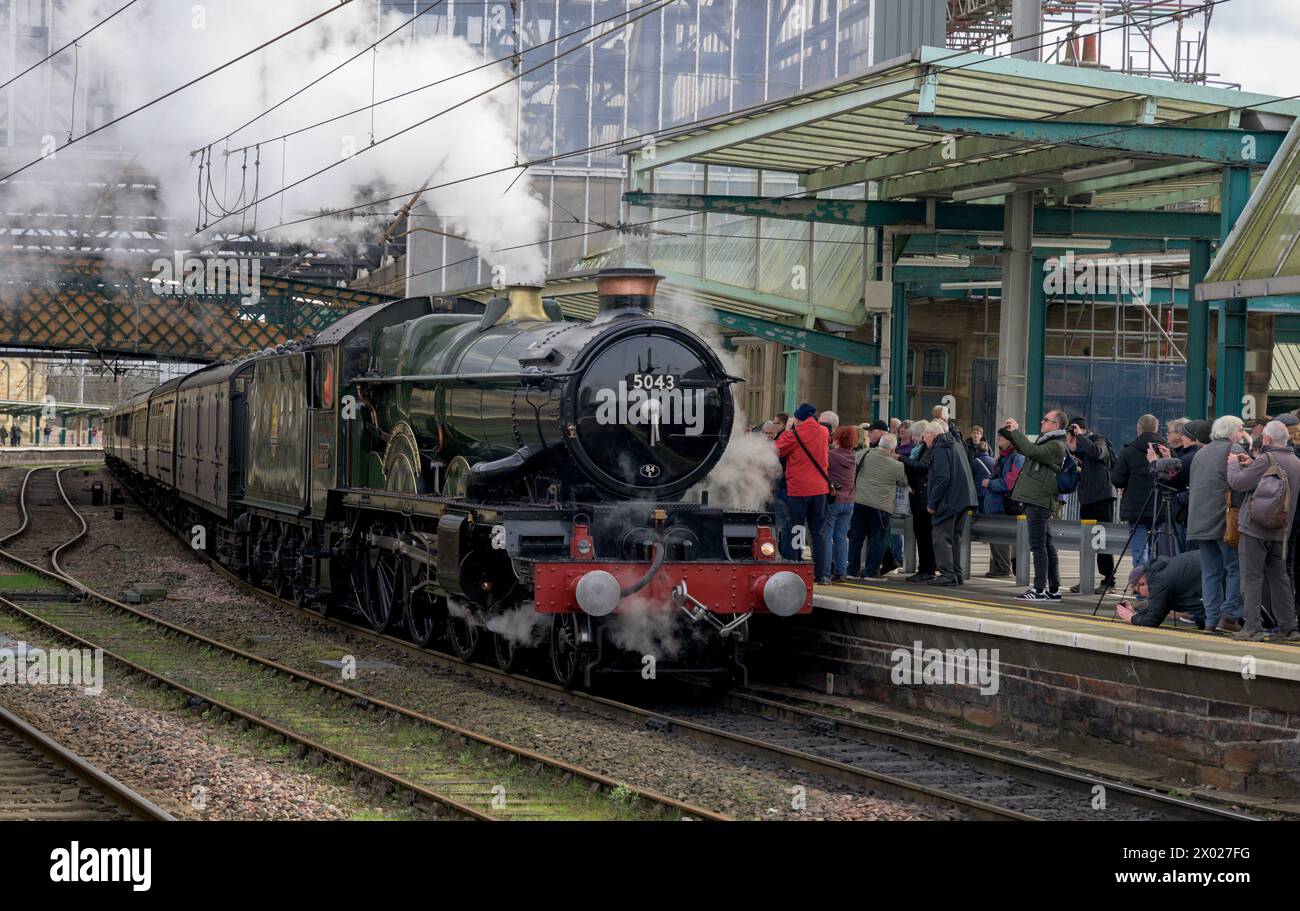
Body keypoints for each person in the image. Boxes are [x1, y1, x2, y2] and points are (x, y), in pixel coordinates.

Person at [1227, 421, 1300, 641]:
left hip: (1255, 528)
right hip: (1280, 529)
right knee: (1280, 578)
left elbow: (1238, 483)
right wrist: (1251, 463)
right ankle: (1289, 627)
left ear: (1267, 440)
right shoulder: (1296, 462)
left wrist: (1233, 464)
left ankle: (1252, 627)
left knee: (1252, 578)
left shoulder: (1267, 458)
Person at [999, 411, 1069, 601]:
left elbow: (1032, 451)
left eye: (1046, 420)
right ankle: (1053, 590)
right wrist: (1011, 434)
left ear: (1056, 425)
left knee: (1039, 546)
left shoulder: (1056, 445)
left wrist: (1016, 432)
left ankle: (1039, 590)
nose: (1042, 421)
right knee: (1047, 544)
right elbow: (1027, 449)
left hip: (1039, 500)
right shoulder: (1048, 441)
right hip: (1039, 499)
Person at [1187, 416, 1247, 632]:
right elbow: (1244, 480)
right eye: (1241, 429)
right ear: (1232, 431)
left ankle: (1211, 620)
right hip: (1225, 521)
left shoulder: (1200, 453)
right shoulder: (1234, 448)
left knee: (1210, 572)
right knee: (1235, 568)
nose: (1242, 433)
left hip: (1199, 522)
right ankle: (1230, 616)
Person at [776, 403, 831, 584]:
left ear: (798, 419)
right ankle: (821, 574)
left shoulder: (794, 434)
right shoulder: (823, 432)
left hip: (799, 490)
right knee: (818, 533)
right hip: (820, 490)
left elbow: (776, 449)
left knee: (796, 529)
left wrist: (787, 430)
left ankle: (796, 568)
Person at [1067, 417, 1117, 593]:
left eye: (1074, 431)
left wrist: (1080, 437)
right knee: (1086, 541)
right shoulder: (1080, 448)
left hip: (1102, 497)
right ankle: (1086, 579)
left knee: (1102, 540)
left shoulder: (1098, 439)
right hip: (1087, 498)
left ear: (1082, 429)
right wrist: (1072, 447)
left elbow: (1097, 452)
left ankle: (1108, 580)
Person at [848, 432, 908, 579]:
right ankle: (871, 571)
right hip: (881, 508)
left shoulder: (863, 454)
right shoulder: (897, 465)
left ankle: (851, 571)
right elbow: (904, 482)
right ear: (893, 449)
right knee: (878, 540)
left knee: (856, 538)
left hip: (859, 502)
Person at [926, 421, 977, 586]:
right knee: (954, 538)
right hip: (963, 499)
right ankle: (956, 573)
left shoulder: (941, 448)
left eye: (924, 436)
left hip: (949, 501)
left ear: (932, 435)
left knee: (940, 538)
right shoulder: (955, 444)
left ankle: (947, 574)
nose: (922, 439)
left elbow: (942, 478)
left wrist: (932, 503)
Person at [1110, 414, 1166, 567]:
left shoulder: (1129, 451)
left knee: (1140, 550)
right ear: (1156, 428)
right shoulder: (1165, 450)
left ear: (1138, 429)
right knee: (1156, 550)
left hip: (1136, 507)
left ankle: (1141, 586)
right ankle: (1154, 585)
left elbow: (1117, 479)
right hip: (1159, 506)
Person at [1115, 551, 1206, 628]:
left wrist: (1131, 618)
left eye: (1137, 591)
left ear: (1142, 583)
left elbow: (1152, 620)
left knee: (1210, 622)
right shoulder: (1159, 572)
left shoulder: (1158, 583)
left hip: (1212, 577)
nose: (1141, 595)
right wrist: (1136, 613)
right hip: (1209, 565)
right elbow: (1161, 606)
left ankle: (1214, 622)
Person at [983, 434, 1024, 578]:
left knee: (1000, 538)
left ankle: (1004, 568)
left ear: (1010, 440)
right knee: (995, 537)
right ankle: (1000, 567)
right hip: (996, 503)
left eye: (1001, 436)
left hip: (1004, 504)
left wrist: (990, 483)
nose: (997, 438)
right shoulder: (1002, 457)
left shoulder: (1017, 457)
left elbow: (1010, 483)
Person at [903, 422, 938, 582]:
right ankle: (924, 568)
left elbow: (922, 466)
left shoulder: (929, 449)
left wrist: (901, 459)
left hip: (924, 498)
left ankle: (927, 569)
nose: (914, 440)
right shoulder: (923, 448)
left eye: (916, 436)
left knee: (925, 535)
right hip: (919, 496)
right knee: (921, 534)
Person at [823, 425, 858, 582]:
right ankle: (841, 571)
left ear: (836, 439)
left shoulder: (830, 456)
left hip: (833, 499)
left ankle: (825, 571)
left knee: (827, 535)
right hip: (849, 501)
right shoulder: (853, 457)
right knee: (841, 537)